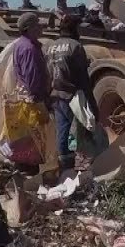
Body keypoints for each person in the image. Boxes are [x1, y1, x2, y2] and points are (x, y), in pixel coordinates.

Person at [47, 14, 102, 169]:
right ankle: (86, 164)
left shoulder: (51, 47)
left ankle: (65, 167)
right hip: (73, 97)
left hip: (55, 95)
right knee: (81, 131)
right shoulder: (75, 47)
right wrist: (92, 104)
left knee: (62, 131)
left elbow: (47, 73)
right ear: (75, 29)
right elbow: (83, 79)